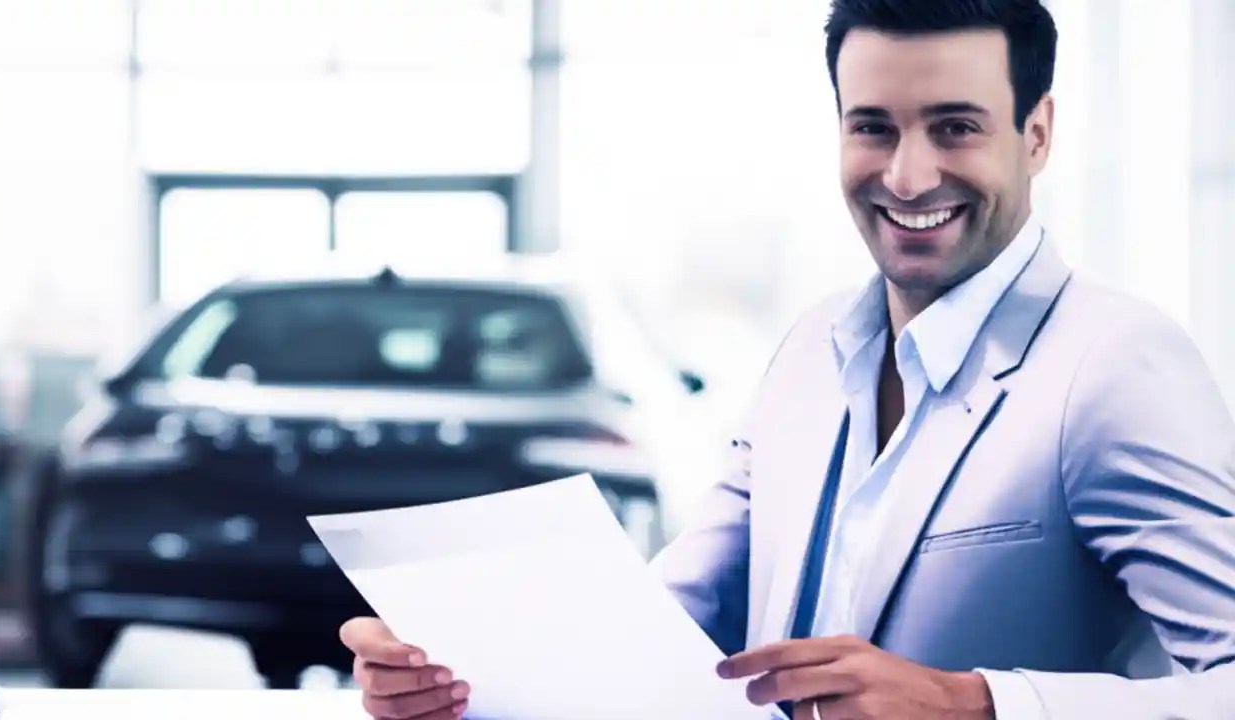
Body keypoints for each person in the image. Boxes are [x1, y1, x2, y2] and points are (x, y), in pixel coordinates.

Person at [339, 0, 1235, 717]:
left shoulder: (1114, 365)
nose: (909, 176)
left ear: (1036, 134)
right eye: (874, 127)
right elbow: (665, 630)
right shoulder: (812, 353)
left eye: (956, 128)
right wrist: (458, 674)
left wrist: (978, 704)